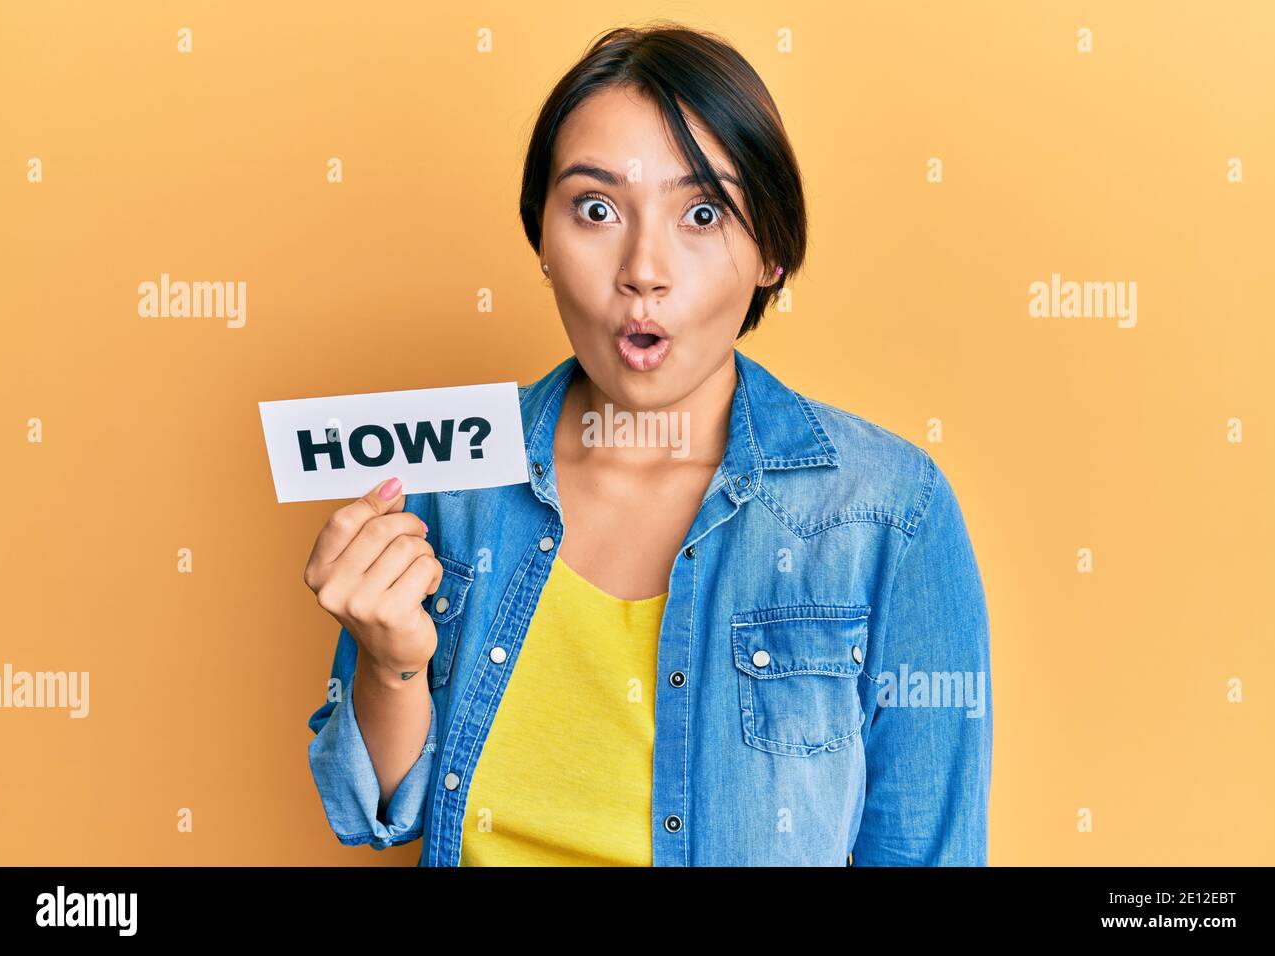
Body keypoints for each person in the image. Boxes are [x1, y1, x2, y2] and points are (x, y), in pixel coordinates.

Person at [303, 23, 992, 866]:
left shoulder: (889, 512)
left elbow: (928, 848)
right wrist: (389, 666)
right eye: (595, 210)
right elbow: (372, 812)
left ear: (770, 250)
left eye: (702, 213)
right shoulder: (452, 475)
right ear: (542, 241)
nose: (643, 270)